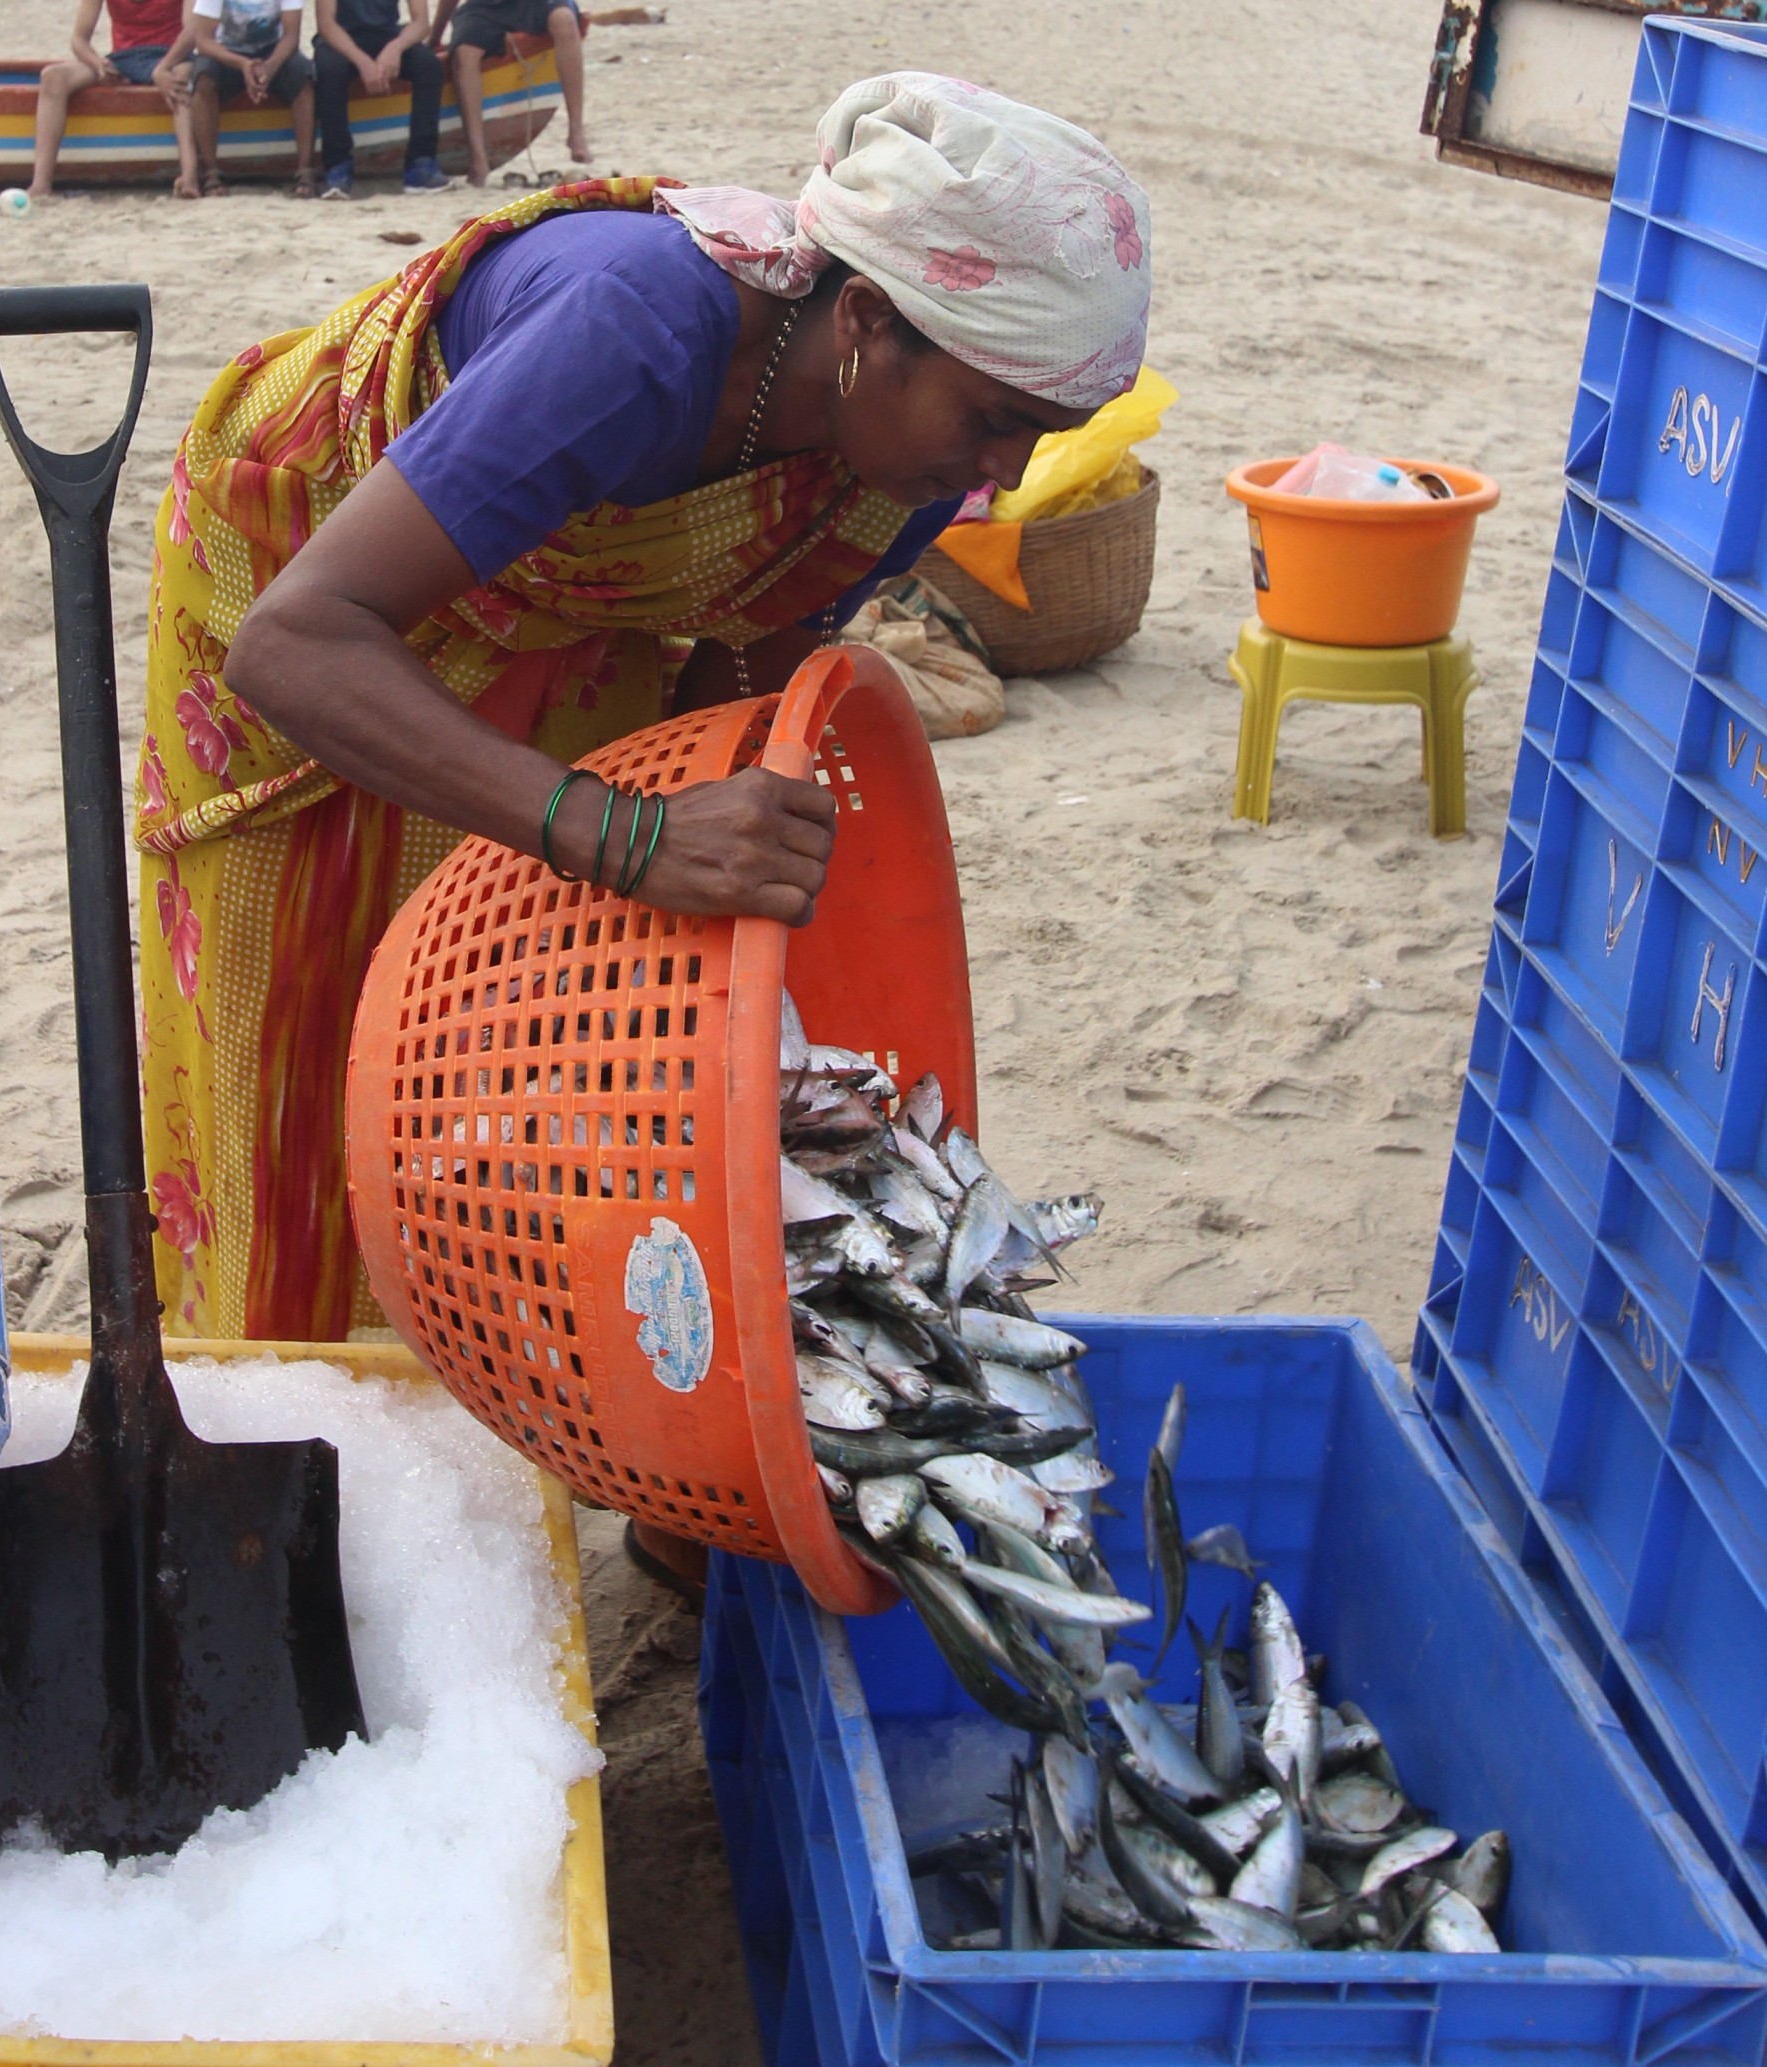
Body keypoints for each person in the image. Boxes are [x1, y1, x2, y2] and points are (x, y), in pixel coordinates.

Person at [137, 74, 1149, 1593]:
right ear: (864, 319)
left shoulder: (902, 461)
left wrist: (703, 909)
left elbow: (731, 669)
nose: (1002, 477)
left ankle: (576, 1441)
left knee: (500, 1052)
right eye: (997, 422)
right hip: (318, 592)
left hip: (562, 610)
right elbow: (300, 643)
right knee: (289, 1060)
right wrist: (607, 833)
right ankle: (247, 1493)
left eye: (1043, 434)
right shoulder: (635, 333)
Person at [30, 0, 201, 199]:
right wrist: (99, 64)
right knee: (52, 77)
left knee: (180, 78)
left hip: (172, 55)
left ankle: (190, 178)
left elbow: (192, 31)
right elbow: (79, 40)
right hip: (124, 57)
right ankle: (40, 183)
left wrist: (163, 68)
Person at [159, 0, 317, 197]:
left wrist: (269, 68)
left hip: (272, 51)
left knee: (304, 77)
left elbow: (291, 36)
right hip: (226, 52)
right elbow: (204, 41)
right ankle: (211, 172)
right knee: (203, 80)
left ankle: (305, 170)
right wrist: (242, 64)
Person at [430, 0, 587, 186]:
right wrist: (435, 37)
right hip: (484, 7)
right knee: (464, 53)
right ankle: (478, 159)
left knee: (564, 19)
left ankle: (576, 131)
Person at [313, 0, 448, 196]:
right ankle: (337, 167)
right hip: (340, 39)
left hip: (386, 35)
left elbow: (421, 23)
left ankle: (421, 163)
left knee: (429, 65)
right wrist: (362, 61)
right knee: (330, 69)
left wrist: (396, 47)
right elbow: (326, 24)